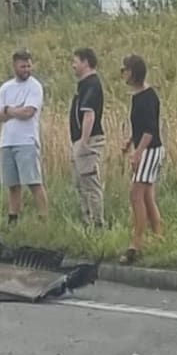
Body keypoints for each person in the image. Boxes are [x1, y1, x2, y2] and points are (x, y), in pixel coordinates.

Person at [0, 49, 48, 224]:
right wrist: (14, 110)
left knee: (33, 181)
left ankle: (43, 218)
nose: (26, 69)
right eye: (23, 66)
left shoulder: (34, 86)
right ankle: (13, 219)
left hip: (26, 141)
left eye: (29, 66)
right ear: (15, 66)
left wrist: (8, 110)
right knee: (12, 185)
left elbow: (28, 112)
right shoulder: (6, 87)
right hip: (7, 142)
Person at [119, 54, 164, 264]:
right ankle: (158, 235)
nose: (123, 73)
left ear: (133, 72)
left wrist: (138, 153)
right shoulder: (138, 95)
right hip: (147, 147)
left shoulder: (147, 97)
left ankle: (136, 243)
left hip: (150, 149)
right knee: (146, 195)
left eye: (125, 69)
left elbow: (149, 129)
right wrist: (130, 141)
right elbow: (140, 127)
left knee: (135, 194)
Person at [68, 47, 106, 228]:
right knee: (80, 183)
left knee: (90, 184)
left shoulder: (92, 84)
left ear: (85, 62)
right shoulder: (84, 85)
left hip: (88, 141)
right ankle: (87, 222)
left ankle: (97, 224)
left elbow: (89, 114)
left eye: (75, 61)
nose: (73, 65)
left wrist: (83, 142)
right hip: (81, 140)